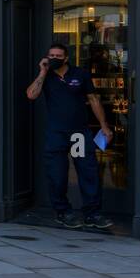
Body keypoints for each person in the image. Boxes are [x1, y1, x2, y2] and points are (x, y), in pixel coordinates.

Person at [25, 43, 114, 231]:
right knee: (57, 174)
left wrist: (104, 126)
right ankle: (62, 212)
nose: (54, 59)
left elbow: (93, 99)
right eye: (51, 55)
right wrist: (42, 72)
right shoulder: (46, 76)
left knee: (87, 172)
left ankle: (92, 213)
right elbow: (31, 95)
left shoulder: (80, 74)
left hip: (78, 134)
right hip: (57, 133)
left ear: (66, 58)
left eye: (58, 56)